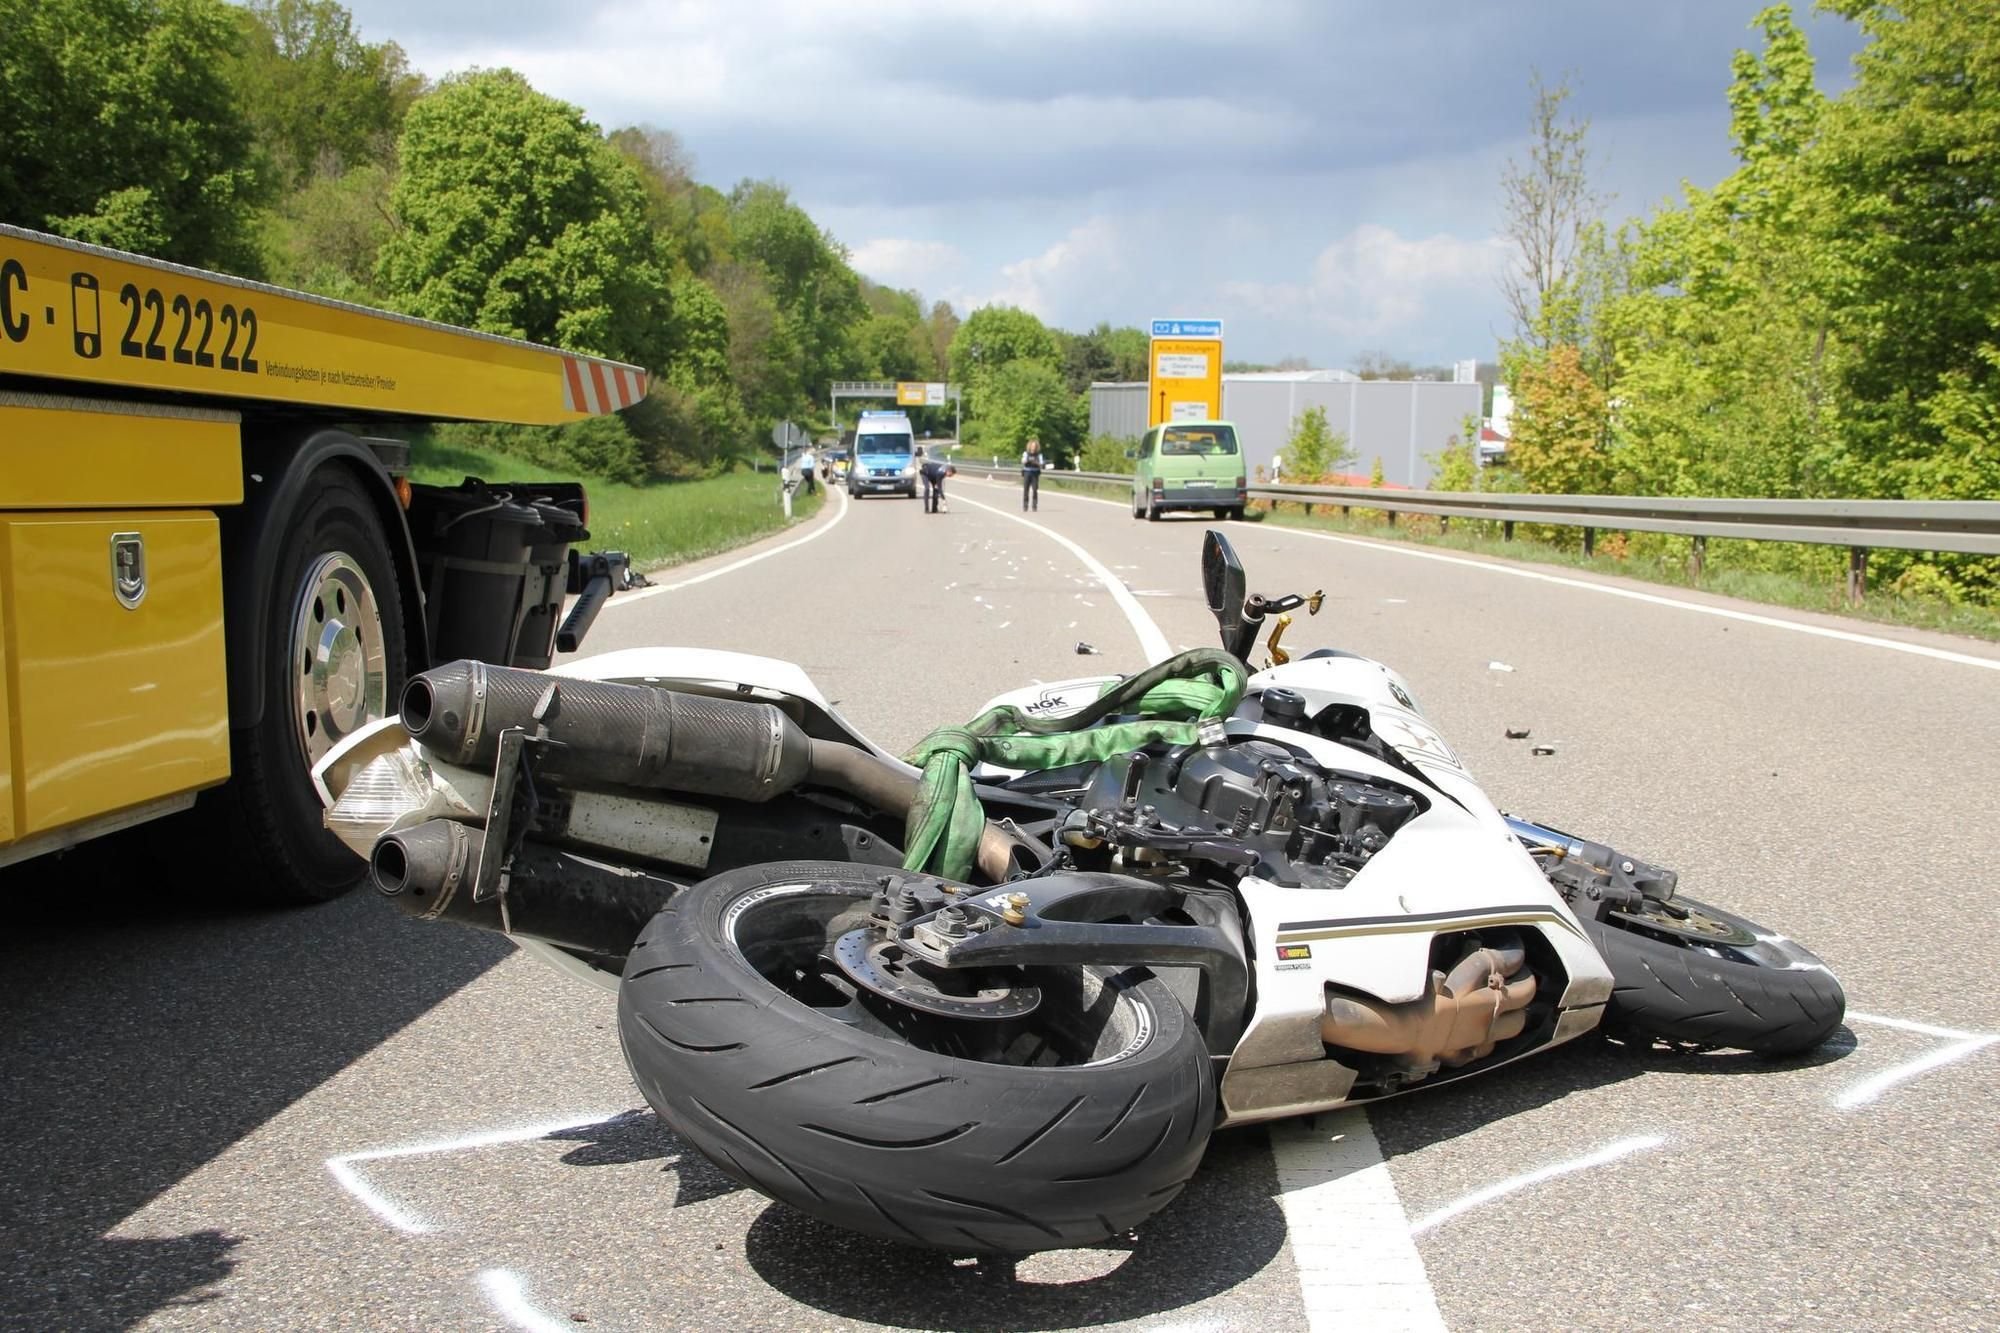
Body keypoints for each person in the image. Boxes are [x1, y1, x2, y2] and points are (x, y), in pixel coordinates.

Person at [919, 445, 950, 513]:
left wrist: (943, 498)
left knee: (936, 490)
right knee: (927, 488)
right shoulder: (938, 466)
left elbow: (939, 487)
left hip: (934, 476)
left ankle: (934, 508)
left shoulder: (943, 468)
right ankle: (926, 509)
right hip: (925, 474)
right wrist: (944, 500)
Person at [1021, 438, 1044, 511]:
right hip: (1027, 472)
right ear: (1030, 446)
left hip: (1035, 473)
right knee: (1026, 490)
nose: (1033, 447)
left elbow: (1041, 463)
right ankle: (1025, 505)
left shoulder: (1039, 455)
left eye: (1034, 446)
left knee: (1035, 490)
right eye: (1032, 446)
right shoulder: (1026, 453)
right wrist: (1028, 461)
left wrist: (1036, 462)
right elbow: (1023, 461)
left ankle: (1034, 505)